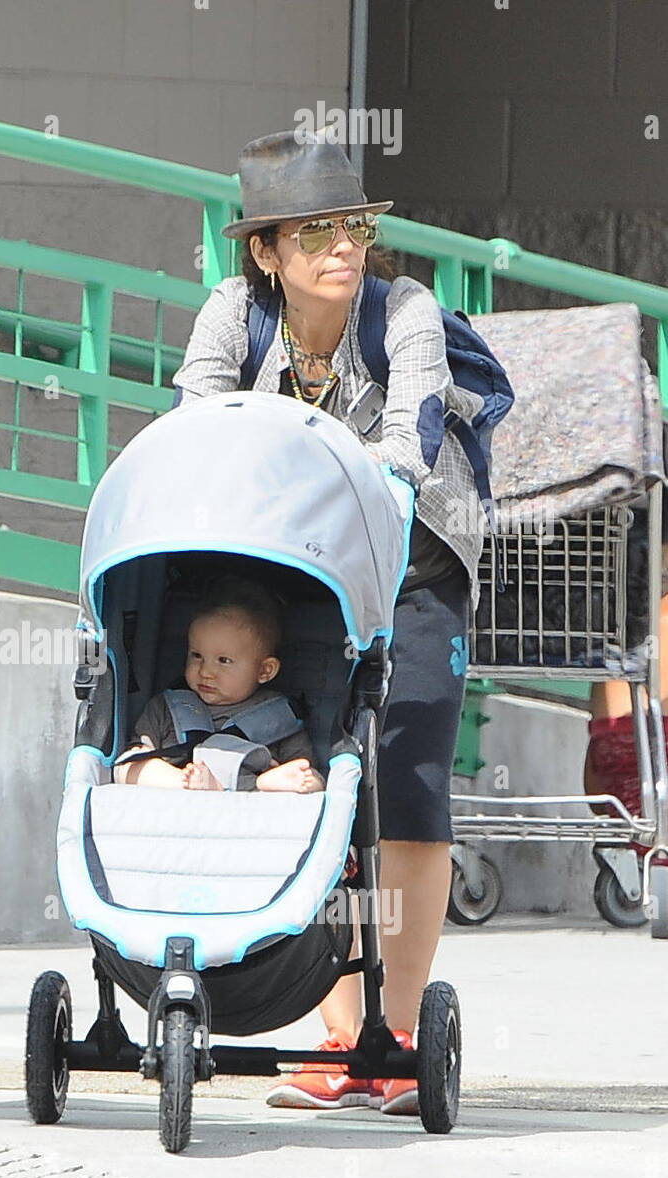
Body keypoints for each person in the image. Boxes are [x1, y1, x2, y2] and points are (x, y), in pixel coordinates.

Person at [173, 130, 487, 1116]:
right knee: (314, 770)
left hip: (413, 560)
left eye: (352, 226)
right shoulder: (235, 310)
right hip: (292, 566)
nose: (343, 247)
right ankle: (340, 1033)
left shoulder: (406, 312)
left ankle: (393, 1033)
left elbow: (410, 445)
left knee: (408, 773)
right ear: (265, 250)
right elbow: (194, 421)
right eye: (315, 233)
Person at [113, 578, 324, 793]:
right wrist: (179, 779)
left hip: (244, 810)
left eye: (223, 660)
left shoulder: (281, 717)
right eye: (196, 656)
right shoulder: (166, 707)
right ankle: (191, 784)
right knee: (128, 765)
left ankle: (240, 785)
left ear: (264, 671)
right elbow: (130, 763)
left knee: (302, 778)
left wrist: (301, 781)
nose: (205, 672)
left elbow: (306, 773)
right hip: (175, 795)